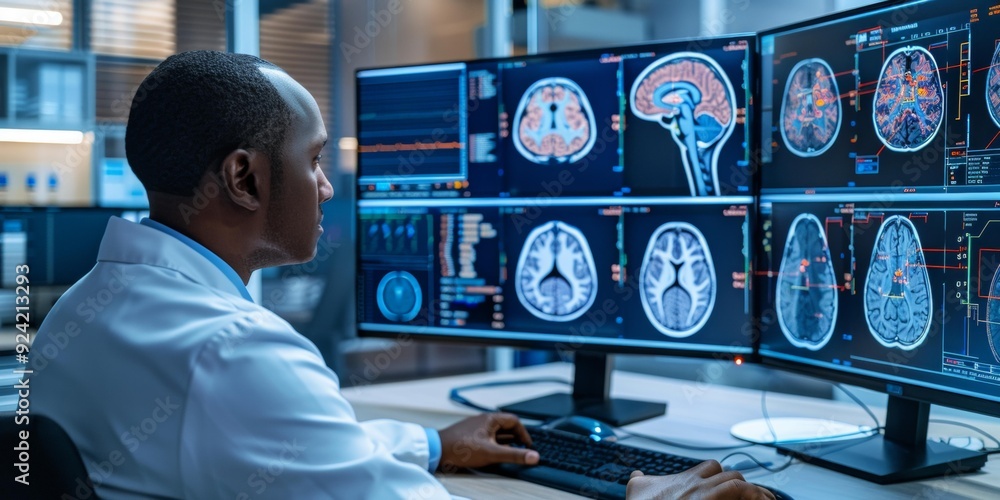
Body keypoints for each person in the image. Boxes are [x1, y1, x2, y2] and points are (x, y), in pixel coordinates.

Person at [29, 50, 774, 499]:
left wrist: (427, 445)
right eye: (314, 160)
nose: (325, 188)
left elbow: (258, 447)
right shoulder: (234, 353)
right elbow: (252, 416)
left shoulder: (78, 315)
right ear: (245, 179)